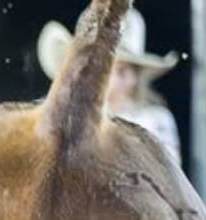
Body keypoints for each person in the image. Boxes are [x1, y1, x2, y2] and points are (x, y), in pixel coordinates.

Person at [37, 4, 180, 164]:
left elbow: (166, 181)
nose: (103, 76)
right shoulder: (60, 116)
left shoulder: (154, 120)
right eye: (95, 66)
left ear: (132, 77)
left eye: (119, 70)